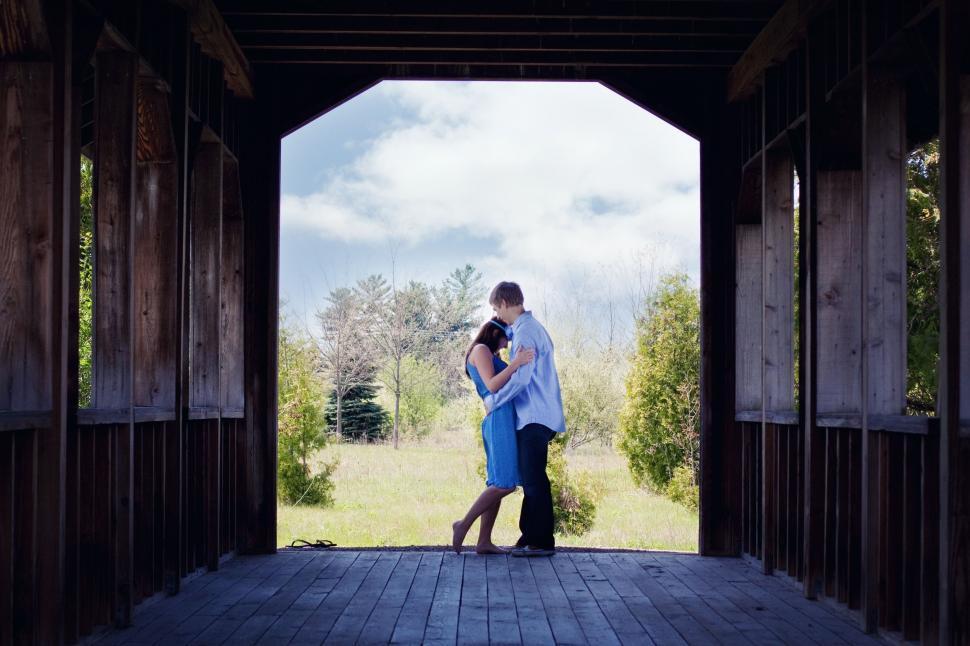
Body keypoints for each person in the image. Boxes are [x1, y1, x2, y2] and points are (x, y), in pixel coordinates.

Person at [485, 281, 566, 557]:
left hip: (534, 415)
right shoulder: (528, 328)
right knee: (531, 478)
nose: (497, 314)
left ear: (504, 303)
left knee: (534, 480)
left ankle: (541, 542)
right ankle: (529, 537)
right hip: (538, 414)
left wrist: (494, 401)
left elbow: (521, 380)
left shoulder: (526, 332)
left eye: (496, 308)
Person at [451, 318, 535, 554]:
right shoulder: (480, 350)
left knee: (497, 482)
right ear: (495, 333)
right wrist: (516, 363)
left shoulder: (489, 353)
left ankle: (484, 542)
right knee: (504, 484)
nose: (507, 344)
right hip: (498, 418)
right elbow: (492, 385)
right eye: (506, 338)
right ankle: (462, 524)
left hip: (502, 417)